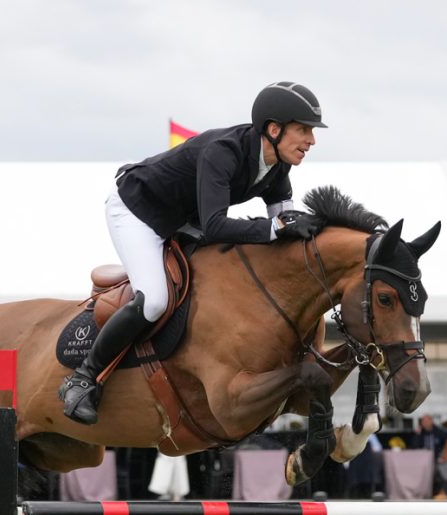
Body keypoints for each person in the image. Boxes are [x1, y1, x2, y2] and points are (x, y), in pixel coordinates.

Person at [58, 82, 327, 424]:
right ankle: (82, 378)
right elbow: (217, 226)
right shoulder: (223, 153)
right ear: (274, 130)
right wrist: (277, 229)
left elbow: (283, 225)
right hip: (139, 212)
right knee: (154, 300)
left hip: (185, 219)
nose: (312, 141)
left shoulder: (278, 167)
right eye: (303, 130)